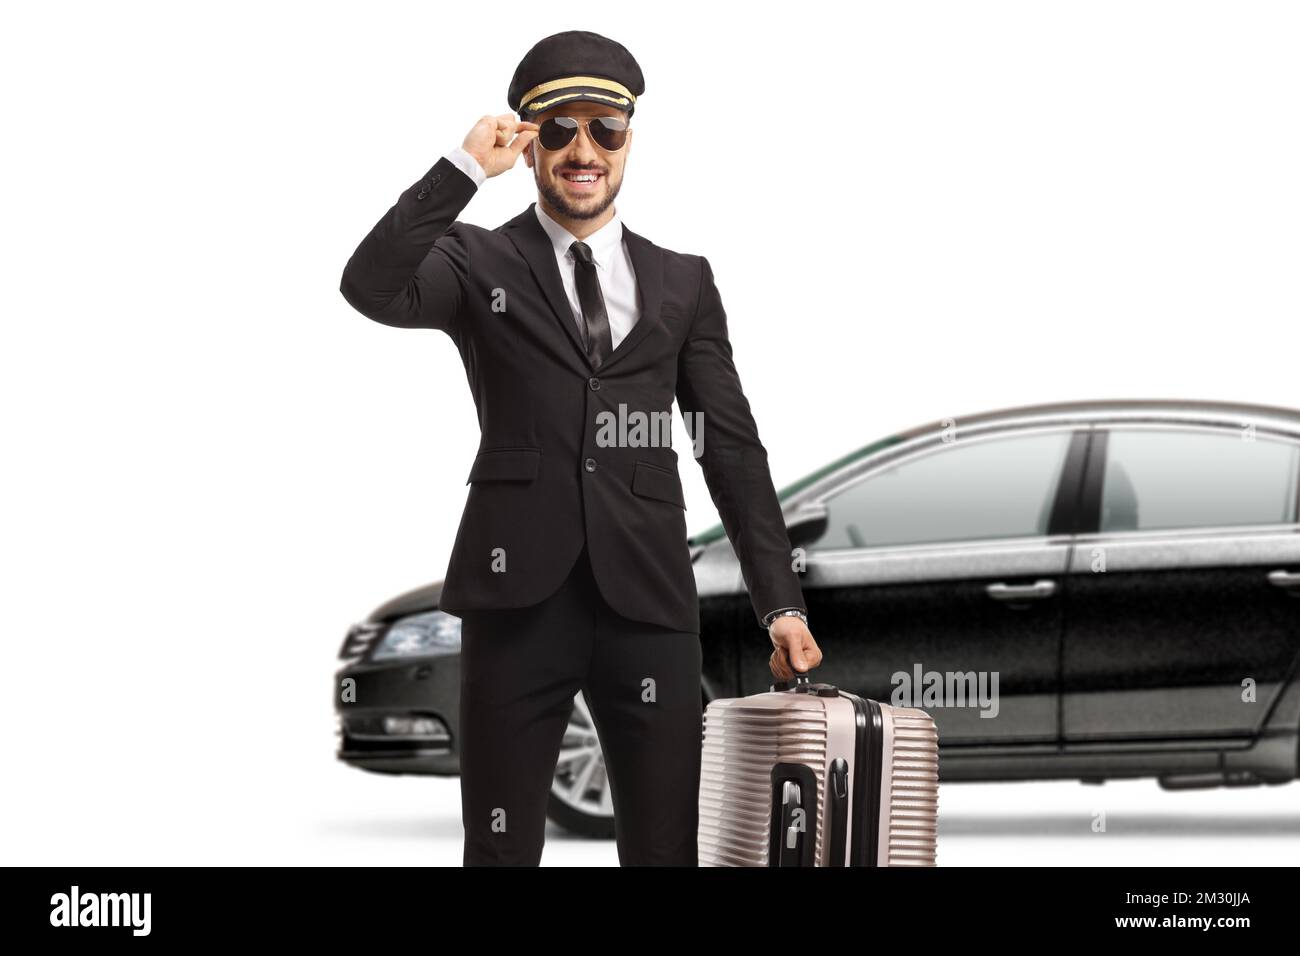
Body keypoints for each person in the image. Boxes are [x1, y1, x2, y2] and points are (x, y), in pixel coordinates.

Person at [339, 29, 823, 866]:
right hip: (516, 596)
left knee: (665, 843)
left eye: (605, 128)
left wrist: (779, 602)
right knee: (499, 847)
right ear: (530, 146)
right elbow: (369, 284)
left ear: (631, 138)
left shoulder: (684, 281)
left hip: (649, 601)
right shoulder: (476, 256)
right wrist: (460, 170)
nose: (583, 149)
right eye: (558, 130)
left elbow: (730, 448)